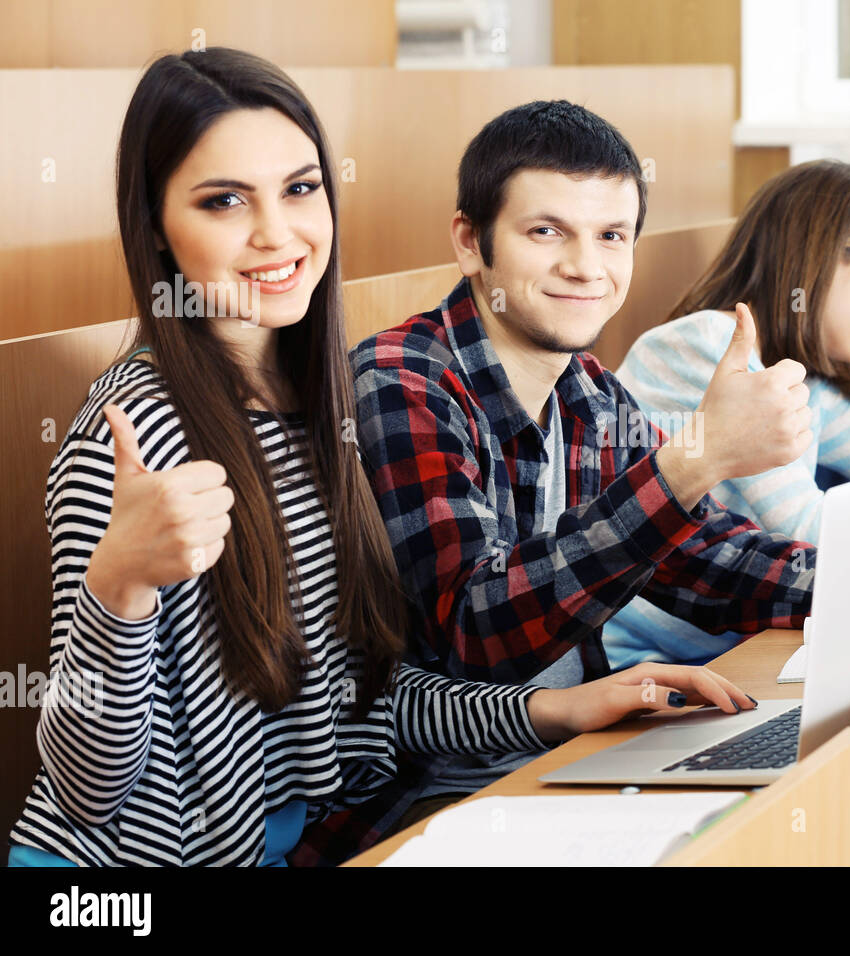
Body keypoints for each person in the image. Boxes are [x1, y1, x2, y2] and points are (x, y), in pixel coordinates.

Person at [7, 49, 754, 868]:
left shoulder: (319, 408)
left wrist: (558, 711)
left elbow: (361, 712)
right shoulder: (131, 435)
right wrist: (119, 587)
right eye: (224, 201)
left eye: (300, 189)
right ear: (154, 224)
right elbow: (87, 789)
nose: (276, 233)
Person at [347, 100, 817, 814]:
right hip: (437, 797)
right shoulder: (401, 380)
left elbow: (699, 560)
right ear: (471, 243)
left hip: (578, 759)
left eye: (612, 235)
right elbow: (480, 636)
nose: (586, 266)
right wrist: (697, 457)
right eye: (547, 231)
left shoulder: (587, 390)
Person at [608, 161, 850, 669]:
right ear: (825, 260)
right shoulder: (707, 345)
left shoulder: (799, 378)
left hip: (735, 652)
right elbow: (805, 529)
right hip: (645, 666)